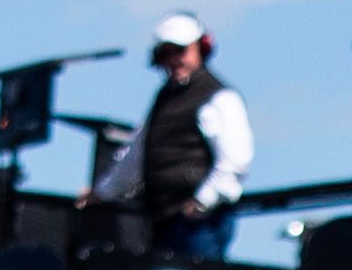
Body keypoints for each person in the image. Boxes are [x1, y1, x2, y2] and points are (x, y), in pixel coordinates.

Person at [92, 13, 254, 234]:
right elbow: (135, 158)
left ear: (201, 48)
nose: (174, 60)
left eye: (181, 50)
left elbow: (236, 160)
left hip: (201, 225)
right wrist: (102, 193)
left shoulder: (219, 98)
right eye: (166, 53)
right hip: (163, 220)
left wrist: (203, 201)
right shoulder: (163, 100)